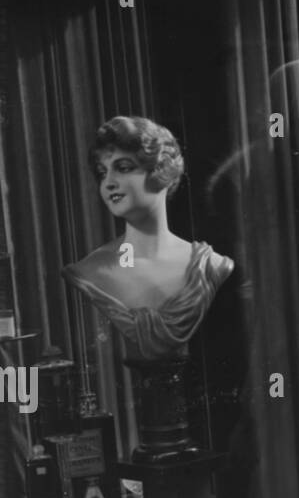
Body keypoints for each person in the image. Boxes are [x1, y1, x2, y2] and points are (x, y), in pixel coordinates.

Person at [62, 115, 233, 361]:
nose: (108, 182)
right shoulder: (89, 273)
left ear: (161, 171)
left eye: (123, 168)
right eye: (102, 173)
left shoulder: (210, 266)